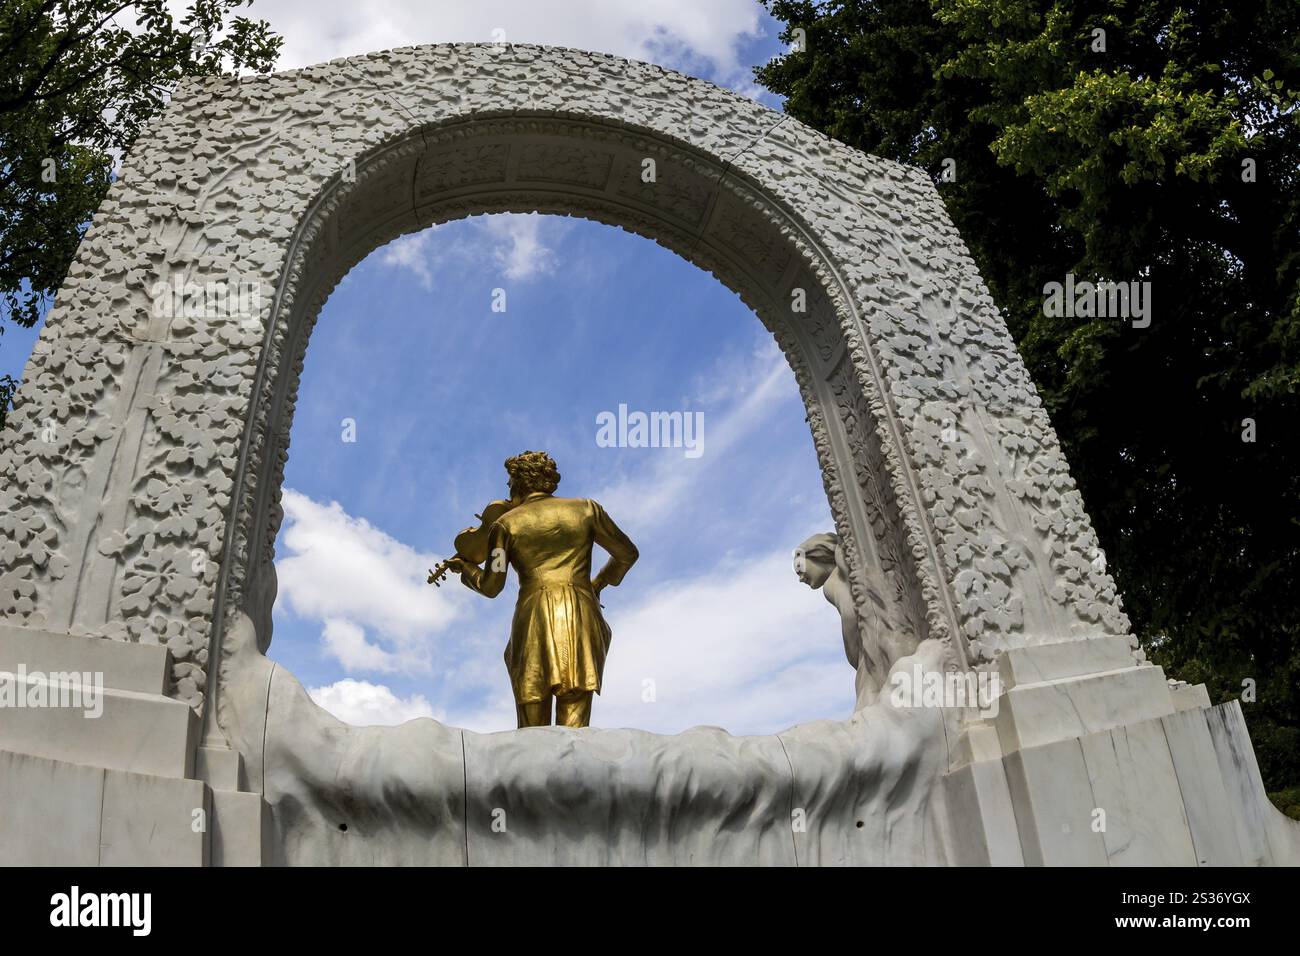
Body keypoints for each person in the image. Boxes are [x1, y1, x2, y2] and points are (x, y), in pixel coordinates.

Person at [445, 451, 638, 728]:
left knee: (532, 728)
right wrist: (596, 586)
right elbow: (627, 554)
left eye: (510, 483)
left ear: (519, 482)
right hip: (581, 613)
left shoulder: (505, 525)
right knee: (575, 730)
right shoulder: (587, 509)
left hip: (533, 616)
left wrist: (466, 570)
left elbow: (491, 586)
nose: (508, 491)